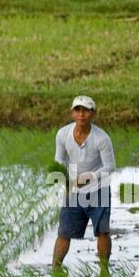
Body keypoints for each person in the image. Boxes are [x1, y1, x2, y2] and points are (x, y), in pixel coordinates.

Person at [53, 95, 116, 267]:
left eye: (86, 111)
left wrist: (88, 177)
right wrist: (64, 178)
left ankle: (104, 268)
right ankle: (55, 267)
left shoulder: (101, 138)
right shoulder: (63, 134)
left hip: (99, 189)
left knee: (102, 231)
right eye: (77, 110)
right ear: (72, 113)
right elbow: (59, 160)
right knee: (64, 232)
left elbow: (110, 167)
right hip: (74, 190)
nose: (81, 114)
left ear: (92, 114)